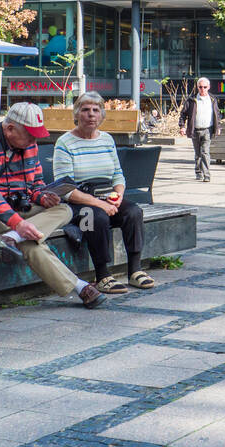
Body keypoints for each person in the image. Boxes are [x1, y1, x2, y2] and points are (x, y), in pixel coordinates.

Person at [0, 103, 105, 309]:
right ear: (10, 129)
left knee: (64, 208)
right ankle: (80, 287)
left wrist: (43, 198)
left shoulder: (28, 146)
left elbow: (35, 185)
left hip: (15, 212)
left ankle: (11, 238)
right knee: (29, 241)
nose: (35, 141)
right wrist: (19, 224)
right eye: (30, 135)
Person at [55, 92, 153, 295]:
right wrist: (101, 205)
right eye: (85, 110)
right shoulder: (65, 143)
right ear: (77, 114)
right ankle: (102, 275)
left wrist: (117, 195)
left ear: (101, 115)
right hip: (76, 204)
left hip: (106, 196)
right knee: (95, 217)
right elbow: (65, 189)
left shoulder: (107, 140)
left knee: (133, 211)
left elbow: (118, 174)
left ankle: (135, 270)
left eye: (95, 110)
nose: (91, 114)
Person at [179, 77, 221, 182]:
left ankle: (207, 174)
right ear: (197, 87)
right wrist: (182, 126)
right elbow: (183, 114)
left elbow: (217, 114)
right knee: (198, 153)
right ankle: (198, 172)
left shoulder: (212, 99)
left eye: (205, 87)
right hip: (195, 130)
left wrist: (218, 127)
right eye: (200, 87)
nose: (202, 89)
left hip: (208, 130)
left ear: (209, 87)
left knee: (205, 152)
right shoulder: (191, 100)